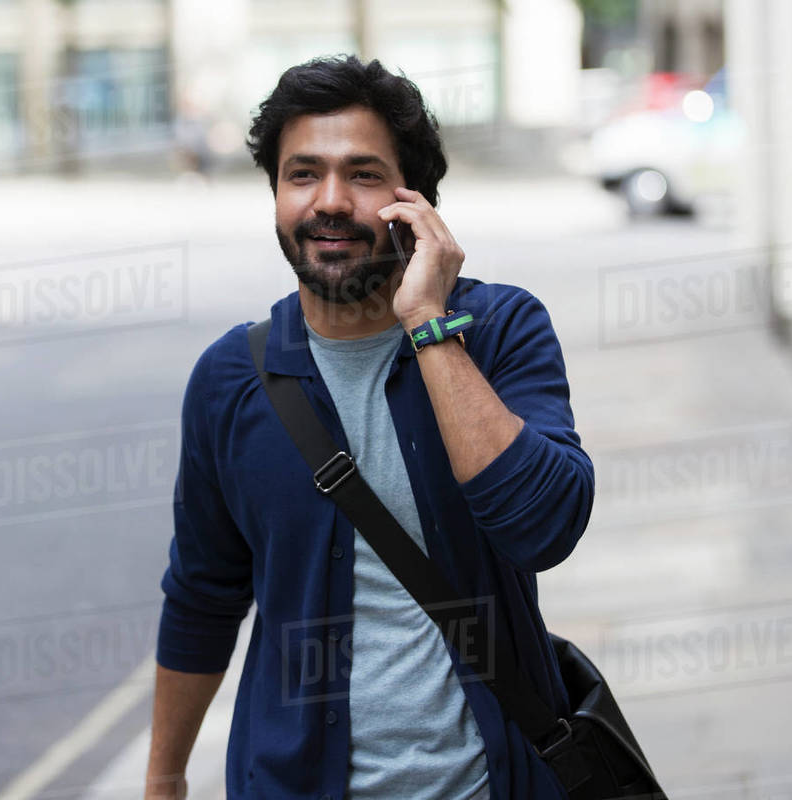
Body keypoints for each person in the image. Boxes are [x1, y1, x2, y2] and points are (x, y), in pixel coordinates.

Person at [144, 54, 594, 800]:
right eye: (301, 174)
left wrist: (429, 324)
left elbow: (542, 528)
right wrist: (163, 780)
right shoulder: (229, 379)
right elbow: (201, 595)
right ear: (275, 194)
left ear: (412, 199)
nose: (329, 201)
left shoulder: (499, 328)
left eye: (362, 174)